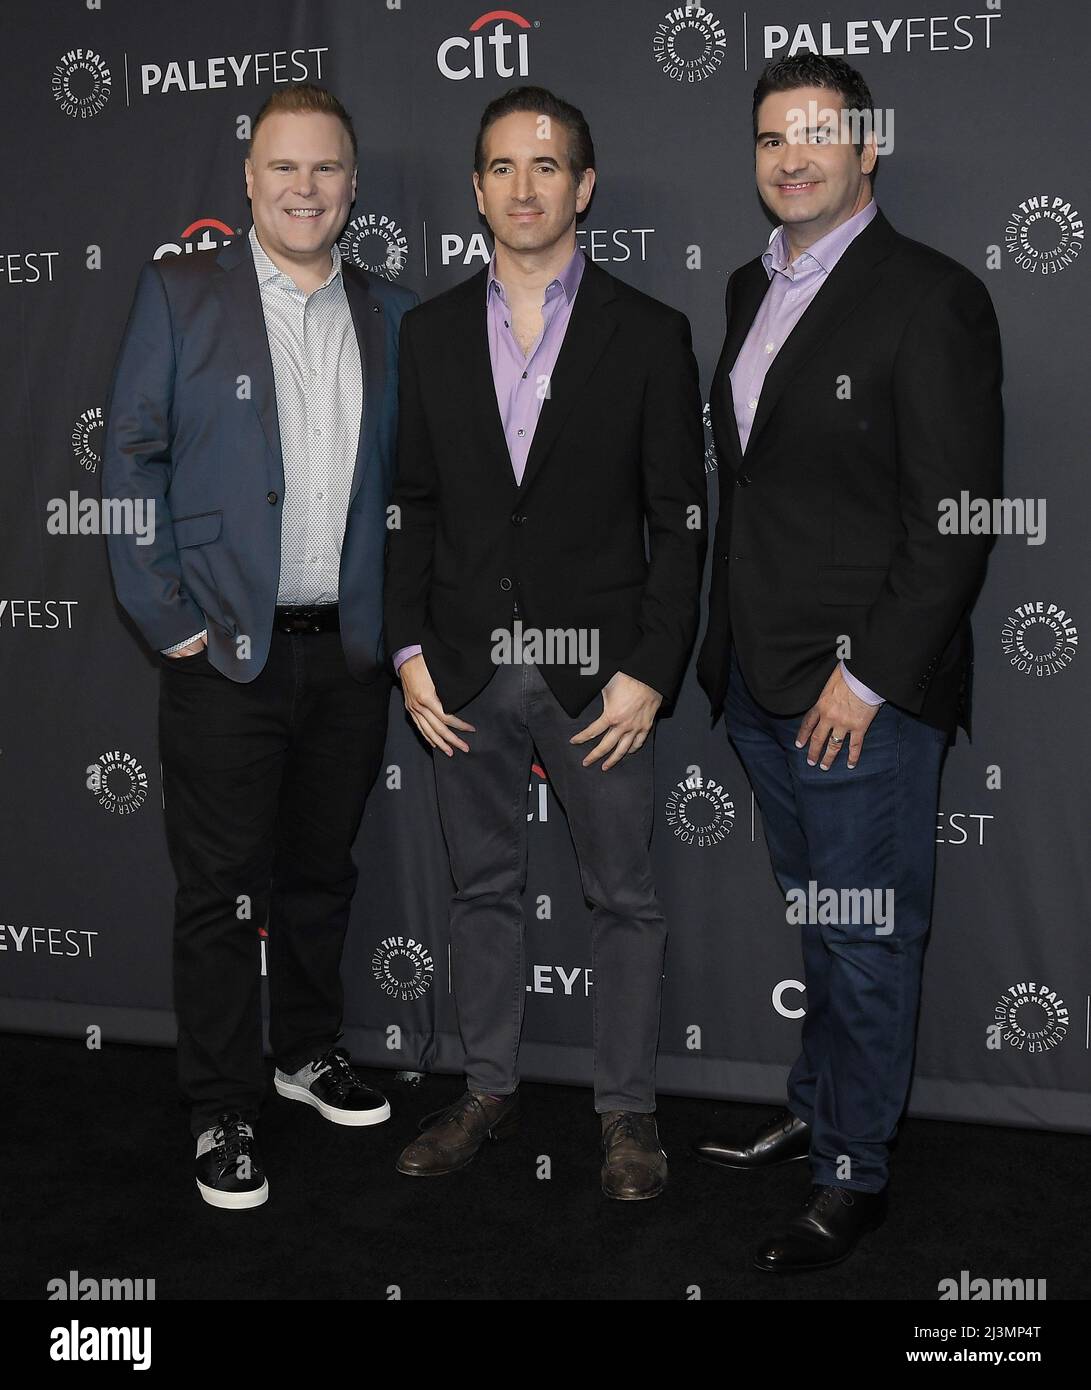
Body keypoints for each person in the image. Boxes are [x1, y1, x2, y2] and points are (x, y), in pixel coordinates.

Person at [692, 55, 1003, 1269]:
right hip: (760, 680)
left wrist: (864, 679)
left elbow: (955, 518)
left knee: (866, 932)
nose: (792, 155)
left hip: (859, 693)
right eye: (772, 136)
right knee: (822, 923)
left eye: (819, 133)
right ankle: (821, 1107)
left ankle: (854, 1172)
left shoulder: (930, 297)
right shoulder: (745, 288)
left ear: (868, 146)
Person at [384, 86, 706, 1200]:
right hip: (460, 674)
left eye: (546, 165)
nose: (524, 187)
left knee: (622, 898)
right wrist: (408, 652)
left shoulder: (650, 332)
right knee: (479, 893)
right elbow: (408, 504)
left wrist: (652, 670)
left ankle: (626, 1115)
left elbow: (679, 517)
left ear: (583, 184)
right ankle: (486, 1087)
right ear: (476, 189)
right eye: (502, 167)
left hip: (600, 682)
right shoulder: (423, 334)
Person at [102, 83, 418, 1208]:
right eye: (283, 167)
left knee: (320, 873)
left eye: (324, 168)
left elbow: (410, 492)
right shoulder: (181, 293)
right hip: (223, 654)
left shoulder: (390, 311)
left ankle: (306, 1047)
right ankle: (221, 1106)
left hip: (345, 656)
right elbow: (128, 460)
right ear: (248, 180)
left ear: (349, 184)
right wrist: (167, 615)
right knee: (222, 891)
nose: (303, 187)